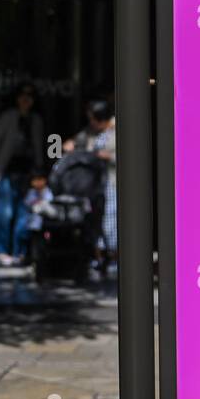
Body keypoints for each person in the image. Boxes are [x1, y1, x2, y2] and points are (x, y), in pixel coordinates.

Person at [0, 83, 44, 266]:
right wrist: (1, 158)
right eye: (22, 96)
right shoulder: (8, 117)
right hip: (6, 170)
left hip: (27, 172)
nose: (26, 100)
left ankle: (19, 251)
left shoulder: (36, 120)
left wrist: (40, 167)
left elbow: (41, 146)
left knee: (24, 212)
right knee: (4, 211)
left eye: (30, 96)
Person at [73, 99, 116, 272]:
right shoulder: (91, 133)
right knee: (96, 220)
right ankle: (99, 258)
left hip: (112, 183)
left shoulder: (117, 131)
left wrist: (101, 155)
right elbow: (80, 142)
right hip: (96, 184)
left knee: (112, 221)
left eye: (93, 119)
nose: (91, 122)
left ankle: (114, 258)